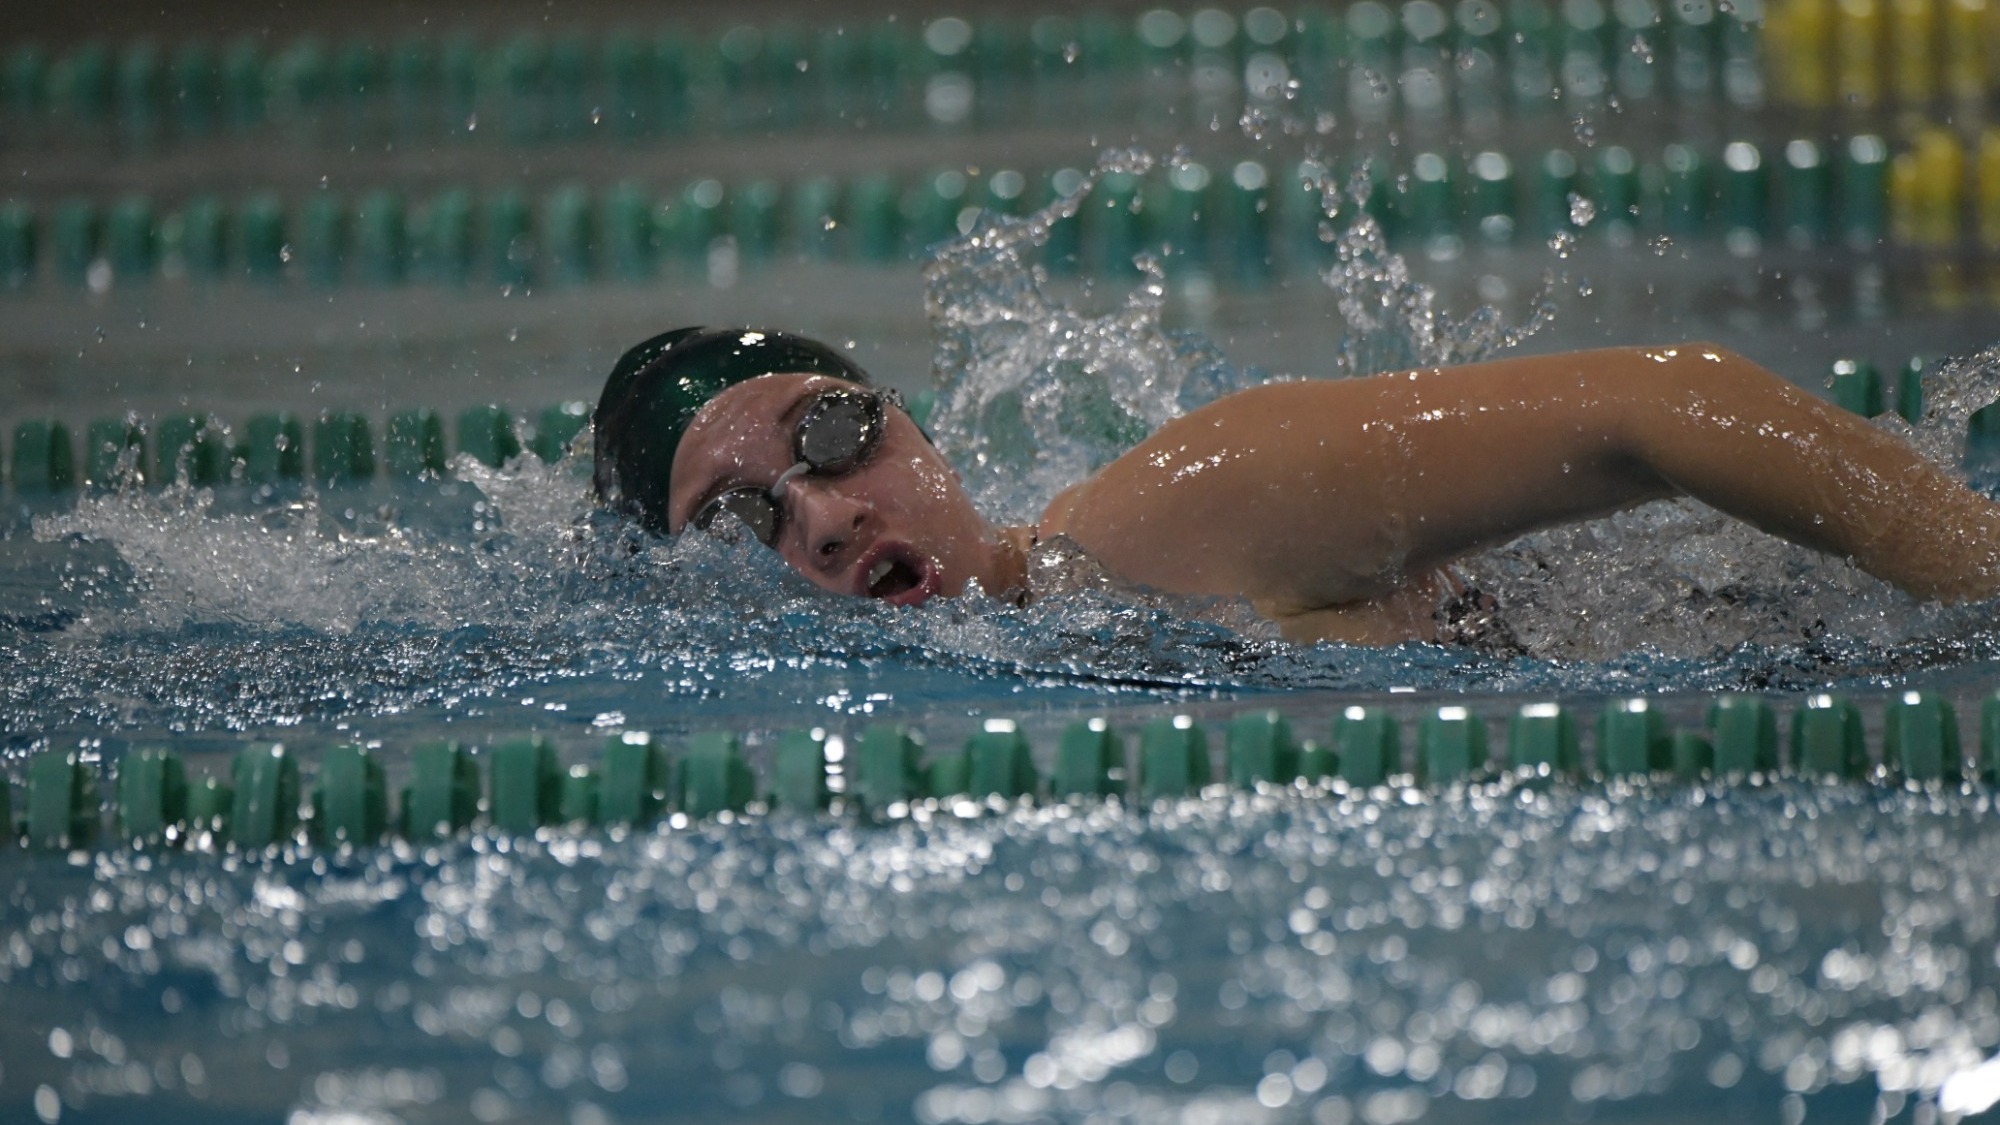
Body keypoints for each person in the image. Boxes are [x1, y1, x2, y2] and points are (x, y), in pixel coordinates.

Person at [592, 326, 2000, 646]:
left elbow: (1659, 402)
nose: (828, 511)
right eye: (738, 518)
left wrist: (1979, 568)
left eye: (833, 434)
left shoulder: (1165, 519)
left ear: (924, 427)